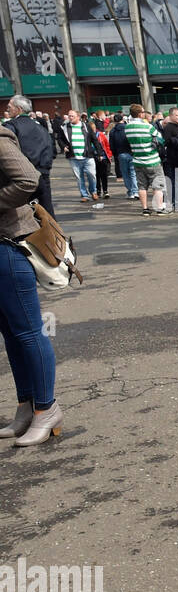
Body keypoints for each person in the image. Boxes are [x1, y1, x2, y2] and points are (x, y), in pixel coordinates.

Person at [0, 125, 63, 445]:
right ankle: (27, 406)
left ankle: (46, 408)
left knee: (26, 331)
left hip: (7, 246)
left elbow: (27, 179)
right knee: (11, 333)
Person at [5, 96, 56, 216]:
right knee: (48, 212)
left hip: (22, 177)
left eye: (9, 107)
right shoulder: (40, 127)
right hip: (42, 174)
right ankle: (54, 234)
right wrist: (45, 169)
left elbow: (7, 151)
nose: (7, 110)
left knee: (19, 214)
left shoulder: (11, 126)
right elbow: (51, 149)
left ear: (18, 109)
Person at [124, 103, 166, 215]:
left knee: (142, 186)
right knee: (157, 186)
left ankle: (145, 209)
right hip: (152, 160)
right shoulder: (148, 126)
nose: (144, 113)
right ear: (139, 114)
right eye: (143, 112)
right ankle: (160, 209)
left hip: (138, 160)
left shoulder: (127, 128)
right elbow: (160, 138)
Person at [61, 110, 98, 203]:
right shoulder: (65, 127)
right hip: (74, 157)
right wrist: (63, 146)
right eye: (69, 116)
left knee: (92, 175)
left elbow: (94, 139)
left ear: (78, 117)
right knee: (79, 177)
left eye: (72, 116)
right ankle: (85, 195)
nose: (70, 118)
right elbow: (60, 139)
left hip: (87, 156)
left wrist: (100, 152)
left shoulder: (86, 126)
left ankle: (93, 191)